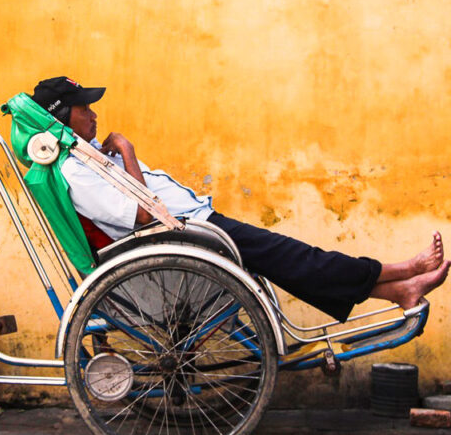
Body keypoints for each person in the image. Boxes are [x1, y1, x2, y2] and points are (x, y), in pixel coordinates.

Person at [29, 76, 448, 322]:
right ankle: (402, 270)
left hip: (194, 223)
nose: (94, 114)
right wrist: (127, 150)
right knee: (295, 257)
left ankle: (399, 291)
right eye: (84, 109)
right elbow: (142, 214)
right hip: (185, 234)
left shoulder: (86, 156)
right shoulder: (74, 172)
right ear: (62, 116)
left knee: (289, 263)